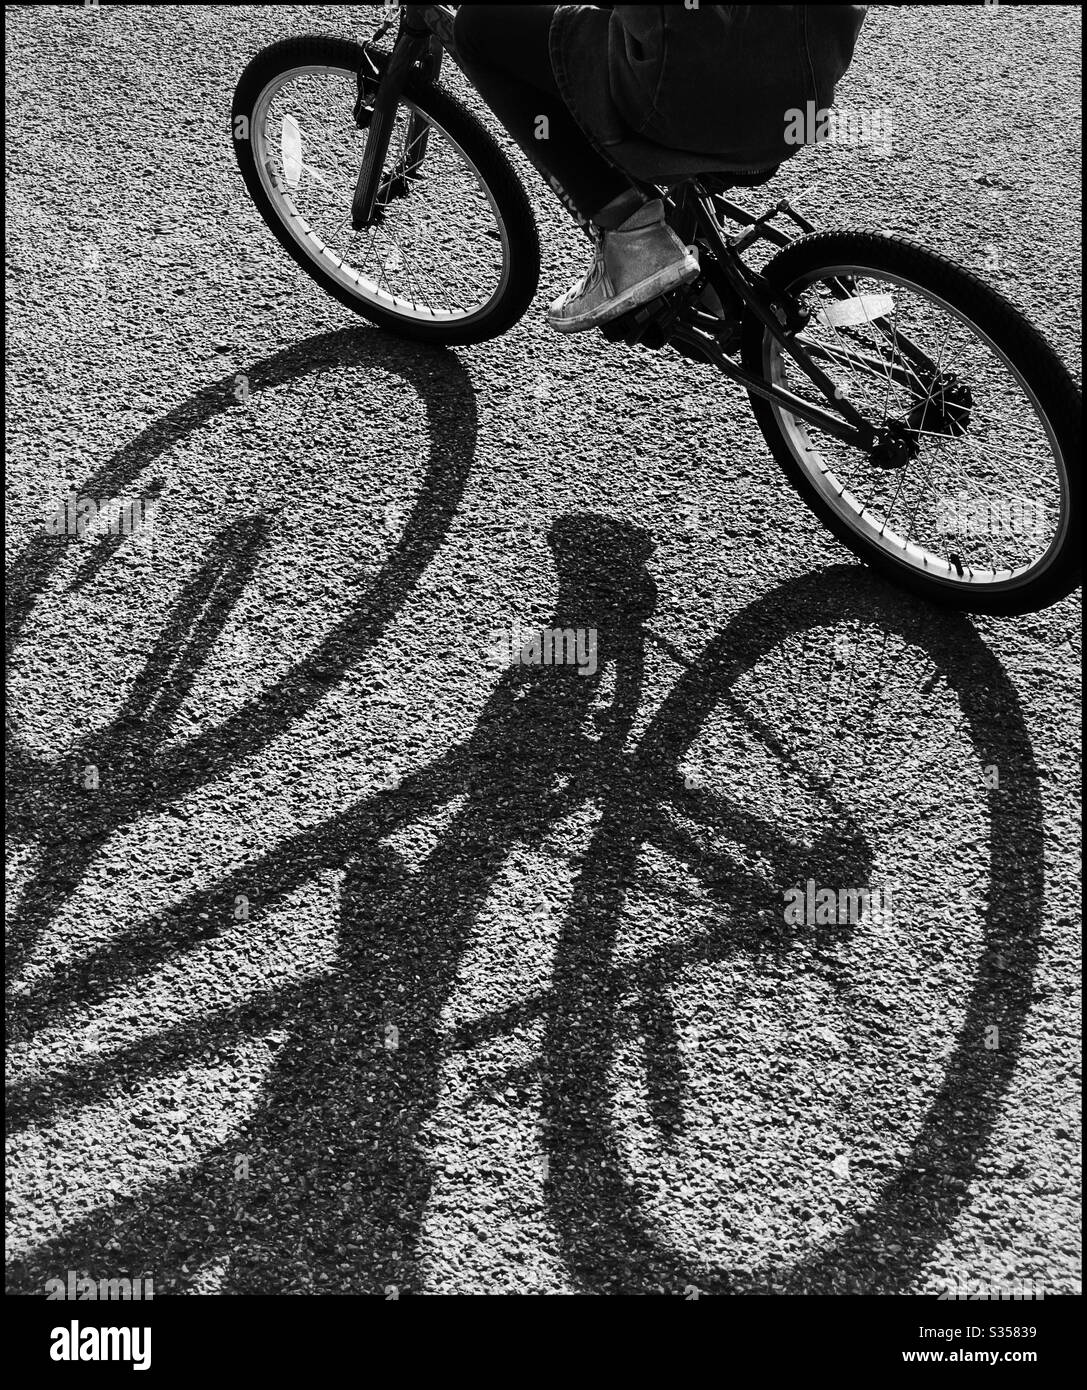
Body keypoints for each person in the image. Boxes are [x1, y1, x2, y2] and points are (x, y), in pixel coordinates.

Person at [453, 4, 866, 333]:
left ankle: (630, 232)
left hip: (687, 96)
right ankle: (698, 246)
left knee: (481, 24)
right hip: (802, 102)